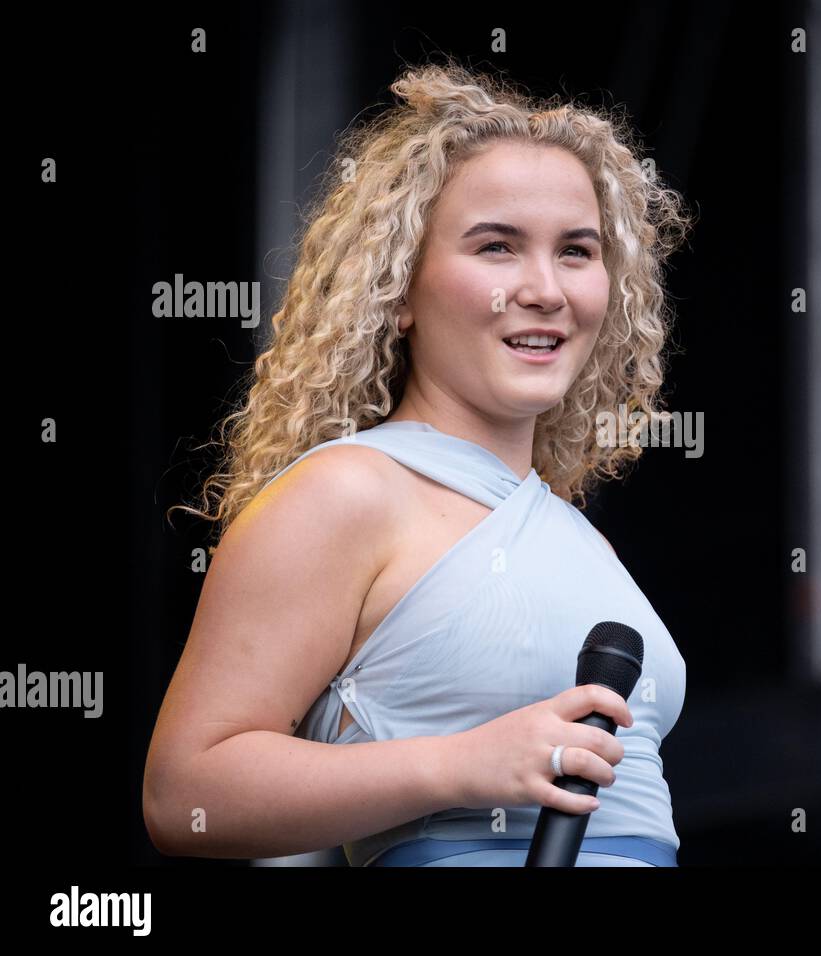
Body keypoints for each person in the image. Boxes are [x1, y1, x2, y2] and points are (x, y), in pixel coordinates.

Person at [144, 59, 695, 867]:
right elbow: (184, 794)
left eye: (576, 251)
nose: (544, 288)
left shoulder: (584, 542)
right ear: (400, 288)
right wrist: (459, 765)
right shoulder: (346, 492)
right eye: (497, 247)